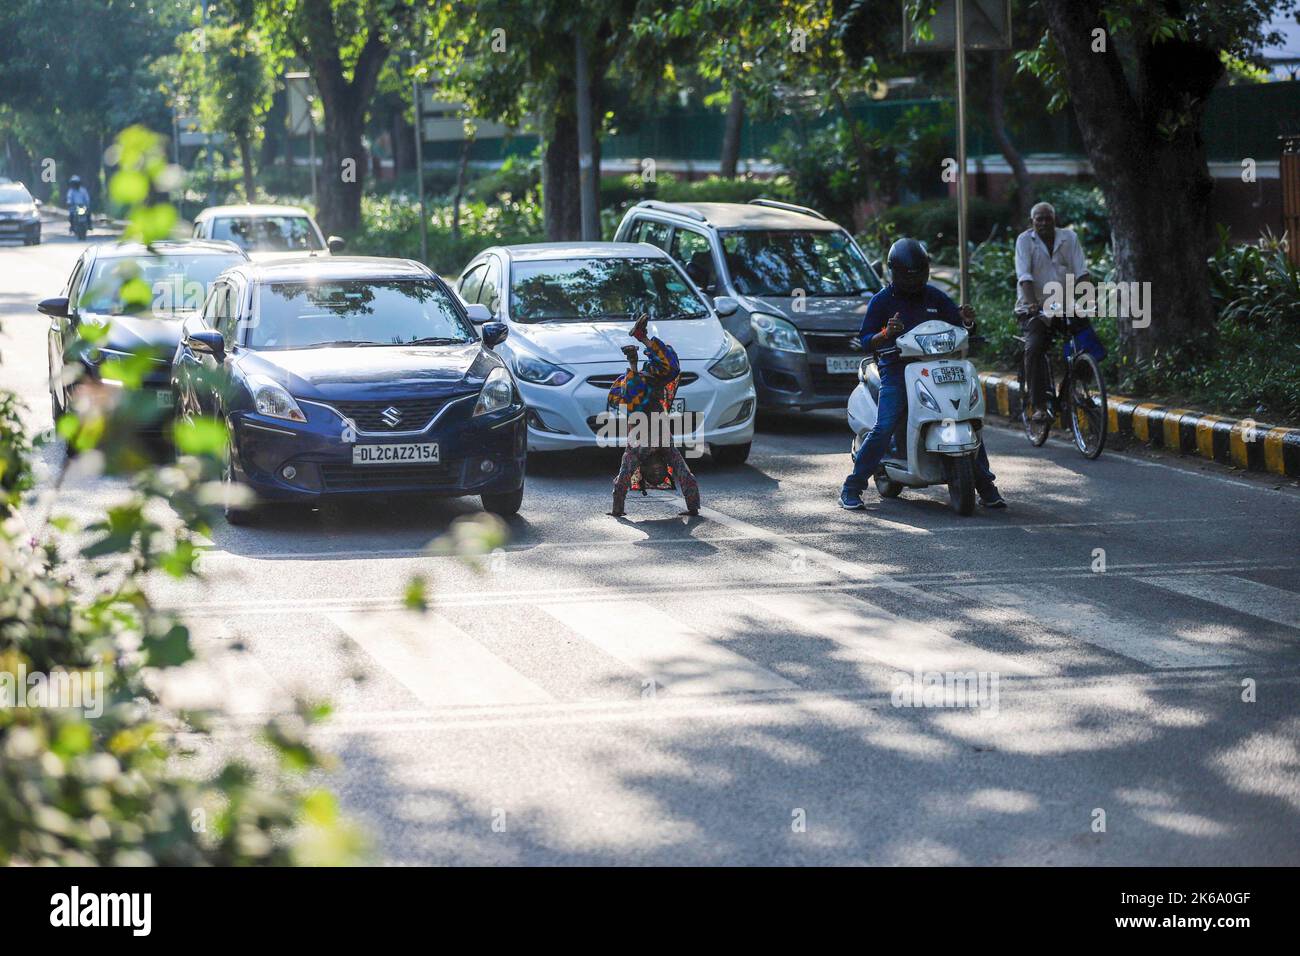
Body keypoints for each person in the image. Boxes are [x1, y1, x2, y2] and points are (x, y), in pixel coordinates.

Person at [840, 237, 1005, 511]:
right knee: (885, 425)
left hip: (938, 369)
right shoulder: (882, 301)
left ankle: (986, 486)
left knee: (965, 418)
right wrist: (886, 334)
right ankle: (852, 486)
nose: (915, 281)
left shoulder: (935, 297)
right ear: (895, 272)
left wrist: (967, 321)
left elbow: (960, 326)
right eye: (908, 275)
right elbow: (865, 340)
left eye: (920, 274)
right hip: (896, 369)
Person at [607, 314, 701, 518]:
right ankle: (642, 340)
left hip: (642, 406)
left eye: (654, 473)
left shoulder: (635, 454)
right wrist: (693, 508)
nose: (657, 470)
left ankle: (634, 358)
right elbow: (687, 478)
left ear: (644, 471)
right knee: (670, 369)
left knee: (634, 395)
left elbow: (621, 482)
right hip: (653, 405)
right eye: (660, 472)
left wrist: (617, 511)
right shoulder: (666, 449)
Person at [1015, 201, 1090, 422]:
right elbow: (1024, 276)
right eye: (1039, 219)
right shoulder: (1024, 241)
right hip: (1033, 308)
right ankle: (1038, 405)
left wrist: (1087, 299)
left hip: (1063, 305)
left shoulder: (1069, 238)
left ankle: (1080, 388)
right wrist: (1032, 304)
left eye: (1048, 218)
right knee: (1036, 347)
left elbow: (1081, 272)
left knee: (1087, 339)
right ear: (1032, 222)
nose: (1044, 222)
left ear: (1055, 220)